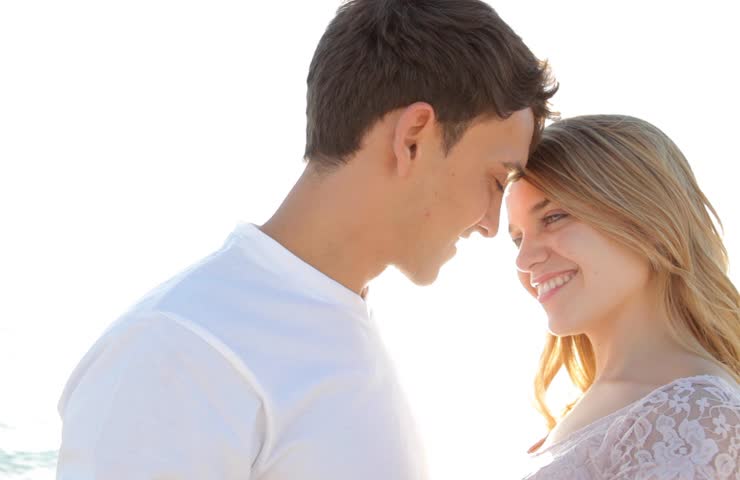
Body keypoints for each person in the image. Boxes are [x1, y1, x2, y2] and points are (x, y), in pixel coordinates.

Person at [56, 1, 556, 479]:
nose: (491, 224)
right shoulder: (179, 349)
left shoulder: (338, 323)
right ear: (413, 138)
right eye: (495, 180)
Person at [506, 114, 740, 479]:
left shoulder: (695, 413)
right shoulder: (597, 405)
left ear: (649, 223)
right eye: (518, 237)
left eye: (553, 217)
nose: (524, 259)